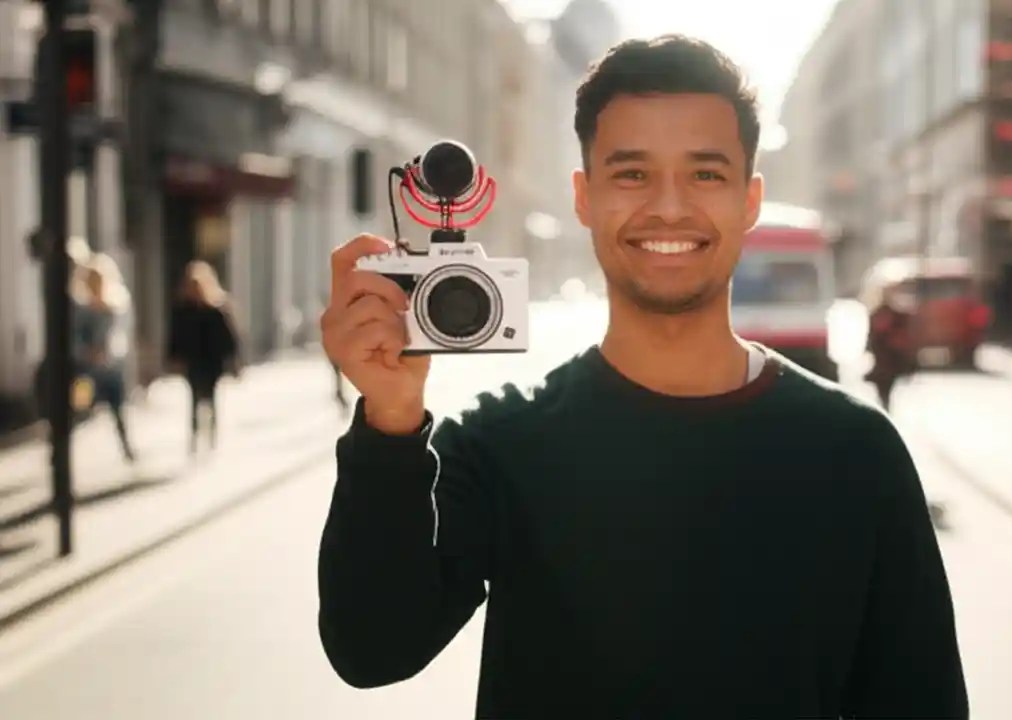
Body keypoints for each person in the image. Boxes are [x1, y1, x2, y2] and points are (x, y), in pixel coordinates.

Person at [318, 35, 967, 718]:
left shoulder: (859, 454)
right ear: (585, 197)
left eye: (705, 174)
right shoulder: (499, 445)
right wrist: (388, 420)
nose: (668, 206)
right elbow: (371, 650)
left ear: (749, 200)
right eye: (631, 174)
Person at [167, 261, 240, 455]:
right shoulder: (182, 310)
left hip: (212, 361)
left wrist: (233, 362)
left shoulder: (217, 310)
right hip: (193, 361)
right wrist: (174, 358)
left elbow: (229, 338)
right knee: (194, 399)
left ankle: (212, 435)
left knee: (211, 397)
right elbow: (175, 336)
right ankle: (194, 437)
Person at [73, 252, 137, 462]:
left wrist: (108, 353)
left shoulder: (115, 307)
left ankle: (127, 448)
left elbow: (121, 336)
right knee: (77, 410)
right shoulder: (82, 310)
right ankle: (62, 453)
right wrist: (87, 353)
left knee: (118, 409)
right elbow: (76, 339)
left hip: (111, 368)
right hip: (87, 371)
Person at [864, 287, 916, 412]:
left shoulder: (895, 315)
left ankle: (885, 404)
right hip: (883, 358)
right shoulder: (878, 314)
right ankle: (884, 405)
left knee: (886, 384)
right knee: (884, 385)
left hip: (890, 358)